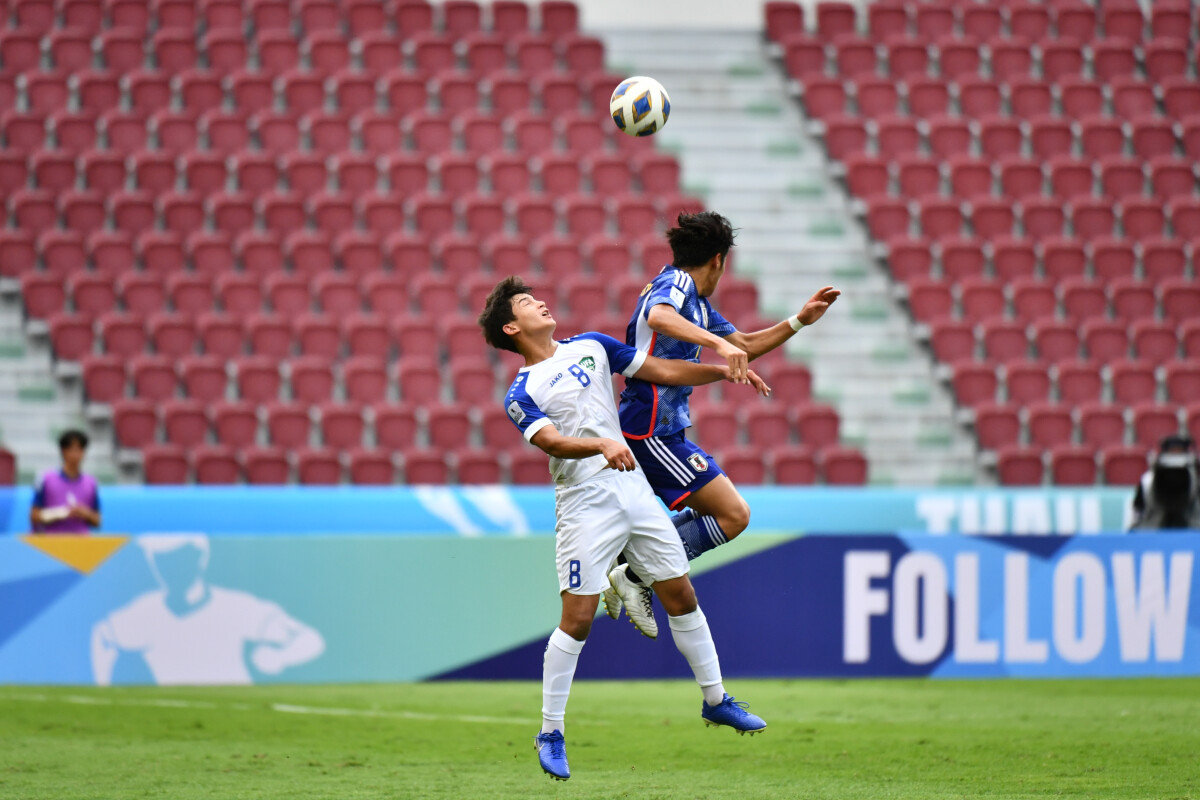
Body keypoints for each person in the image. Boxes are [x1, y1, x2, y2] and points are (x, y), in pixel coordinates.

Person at [478, 276, 769, 782]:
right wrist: (599, 446)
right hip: (585, 502)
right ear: (511, 327)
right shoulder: (522, 392)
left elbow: (658, 369)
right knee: (579, 618)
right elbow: (551, 443)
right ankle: (550, 731)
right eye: (527, 303)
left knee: (680, 594)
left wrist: (723, 372)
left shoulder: (591, 344)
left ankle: (716, 699)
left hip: (632, 488)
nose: (541, 302)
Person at [609, 212, 839, 630]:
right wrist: (716, 345)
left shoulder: (697, 304)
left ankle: (631, 560)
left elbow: (746, 346)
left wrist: (799, 321)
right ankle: (634, 572)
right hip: (649, 428)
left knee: (722, 513)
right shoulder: (675, 284)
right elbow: (658, 317)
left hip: (663, 428)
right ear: (718, 260)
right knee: (733, 515)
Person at [92, 534, 326, 685]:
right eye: (161, 560)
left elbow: (310, 638)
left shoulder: (235, 607)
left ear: (200, 558)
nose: (169, 567)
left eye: (177, 557)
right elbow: (102, 635)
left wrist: (280, 656)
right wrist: (102, 684)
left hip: (244, 708)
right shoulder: (144, 612)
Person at [30, 429, 101, 534]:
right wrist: (61, 513)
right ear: (63, 451)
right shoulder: (46, 479)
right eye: (72, 450)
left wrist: (84, 513)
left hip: (82, 544)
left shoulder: (91, 482)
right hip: (51, 543)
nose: (76, 455)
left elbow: (97, 520)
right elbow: (34, 516)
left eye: (80, 450)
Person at [1129, 435, 1200, 531]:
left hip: (1192, 530)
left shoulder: (1196, 478)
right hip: (1154, 530)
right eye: (1172, 453)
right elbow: (1139, 510)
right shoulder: (1148, 480)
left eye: (1179, 453)